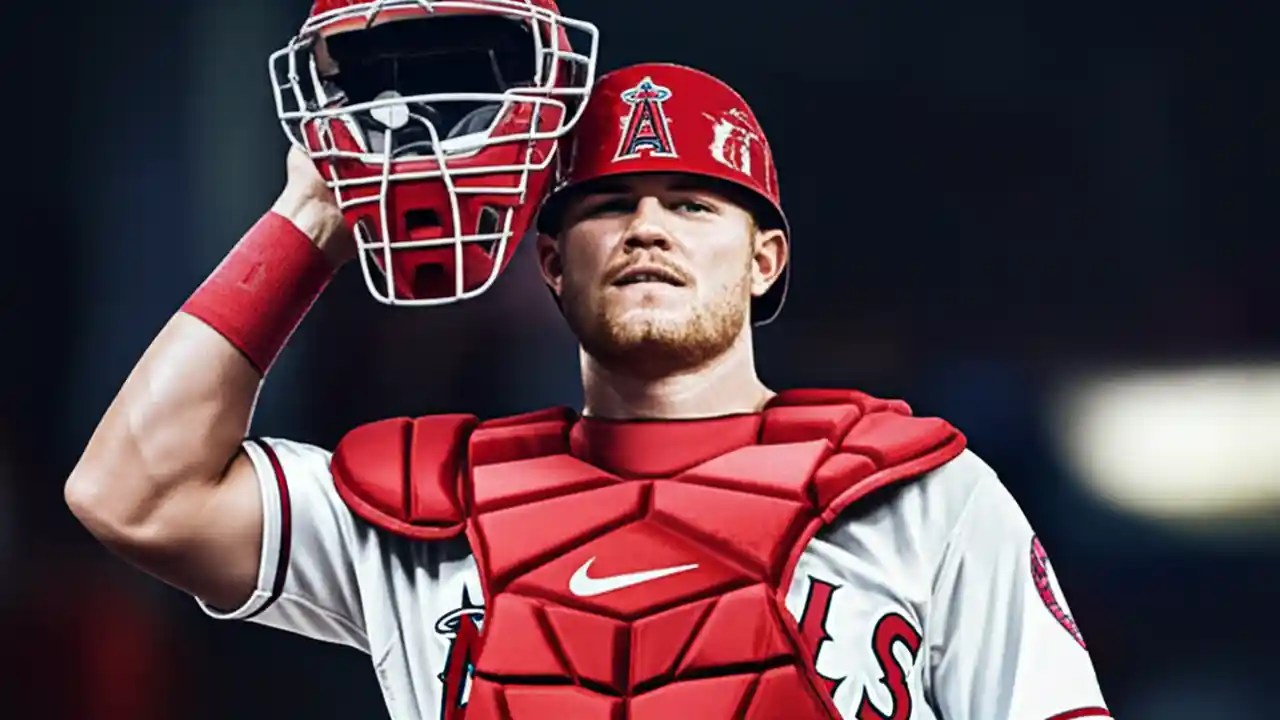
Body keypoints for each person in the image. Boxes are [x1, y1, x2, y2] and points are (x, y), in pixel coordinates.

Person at [66, 2, 1112, 719]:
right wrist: (315, 211)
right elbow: (133, 492)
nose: (647, 228)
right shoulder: (427, 512)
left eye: (692, 204)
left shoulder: (918, 498)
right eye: (608, 206)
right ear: (553, 267)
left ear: (764, 259)